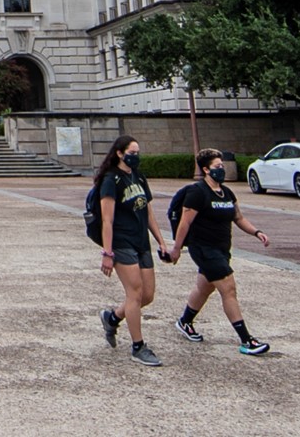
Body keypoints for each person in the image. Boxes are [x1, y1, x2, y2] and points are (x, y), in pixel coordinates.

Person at [166, 148, 272, 355]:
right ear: (206, 169)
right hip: (203, 249)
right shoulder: (197, 193)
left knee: (204, 288)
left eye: (222, 166)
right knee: (228, 289)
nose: (221, 170)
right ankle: (246, 340)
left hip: (222, 249)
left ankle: (185, 322)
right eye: (217, 167)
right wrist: (176, 249)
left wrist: (257, 232)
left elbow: (238, 218)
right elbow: (185, 223)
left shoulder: (227, 193)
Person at [93, 135, 166, 366]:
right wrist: (107, 252)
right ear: (119, 153)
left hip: (141, 240)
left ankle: (112, 317)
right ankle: (138, 346)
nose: (136, 156)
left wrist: (161, 241)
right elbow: (107, 219)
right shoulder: (110, 180)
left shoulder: (138, 176)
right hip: (122, 242)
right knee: (134, 294)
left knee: (147, 295)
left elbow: (148, 212)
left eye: (137, 152)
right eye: (132, 152)